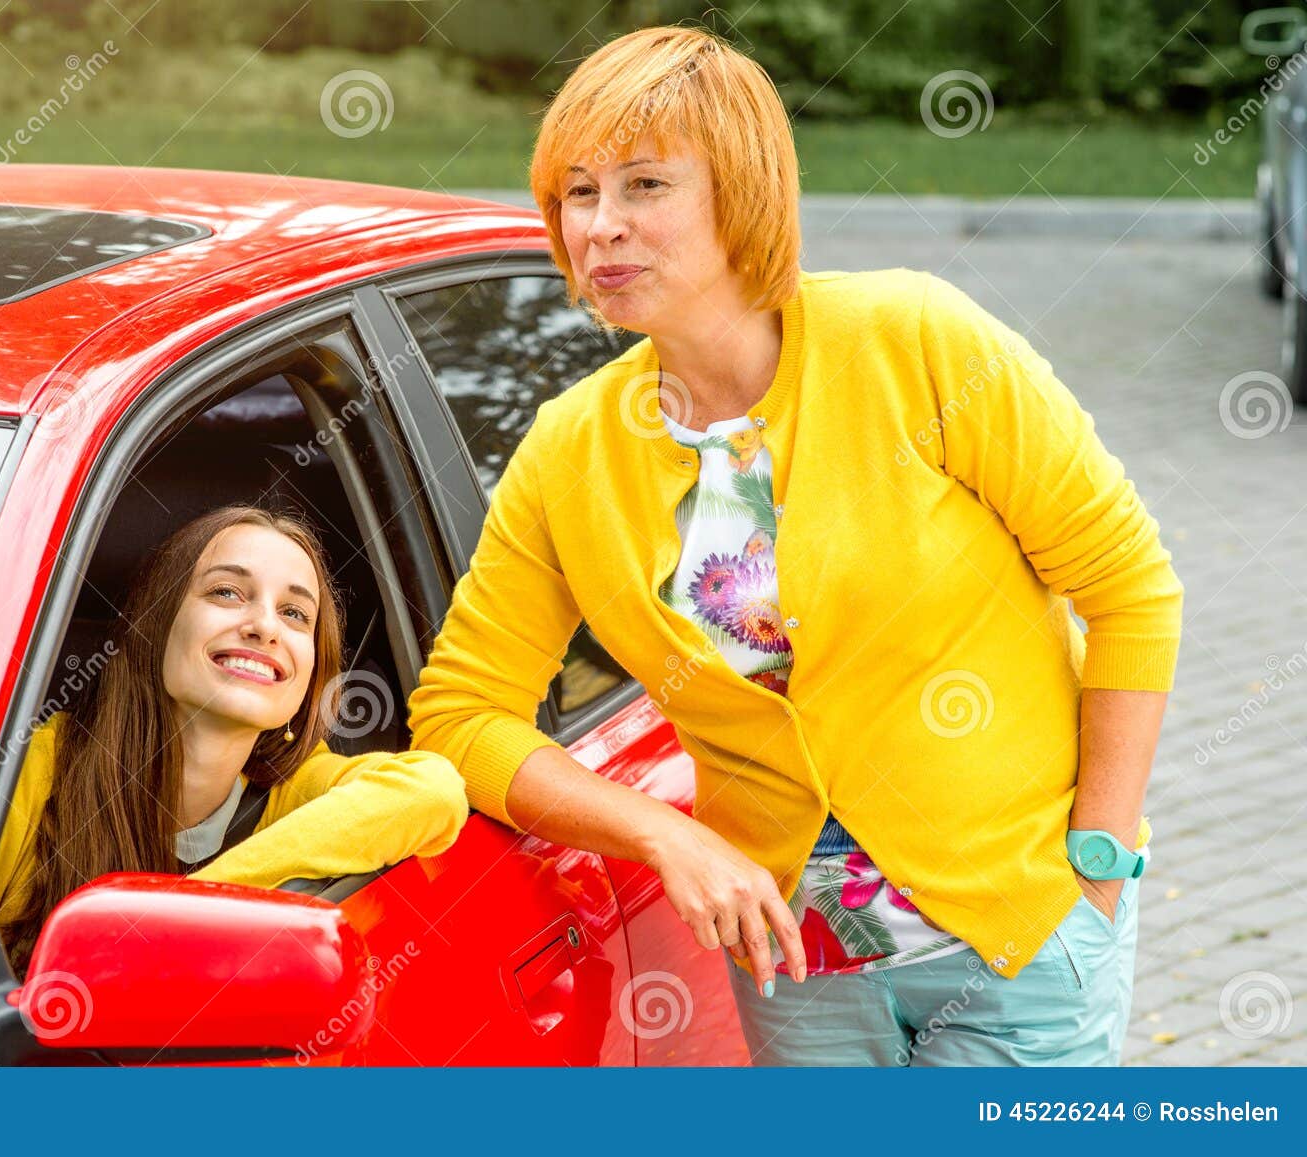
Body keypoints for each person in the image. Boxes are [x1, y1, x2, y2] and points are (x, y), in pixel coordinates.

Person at [407, 25, 1180, 1066]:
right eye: (576, 193)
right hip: (801, 967)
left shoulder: (915, 340)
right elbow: (460, 711)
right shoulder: (569, 448)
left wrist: (1097, 855)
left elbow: (1131, 588)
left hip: (1022, 933)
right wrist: (663, 832)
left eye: (643, 185)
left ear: (743, 191)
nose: (600, 226)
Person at [0, 504, 469, 978]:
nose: (264, 626)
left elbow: (432, 791)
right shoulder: (27, 774)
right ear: (156, 623)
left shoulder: (299, 788)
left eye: (295, 613)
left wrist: (158, 927)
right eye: (226, 592)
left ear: (309, 673)